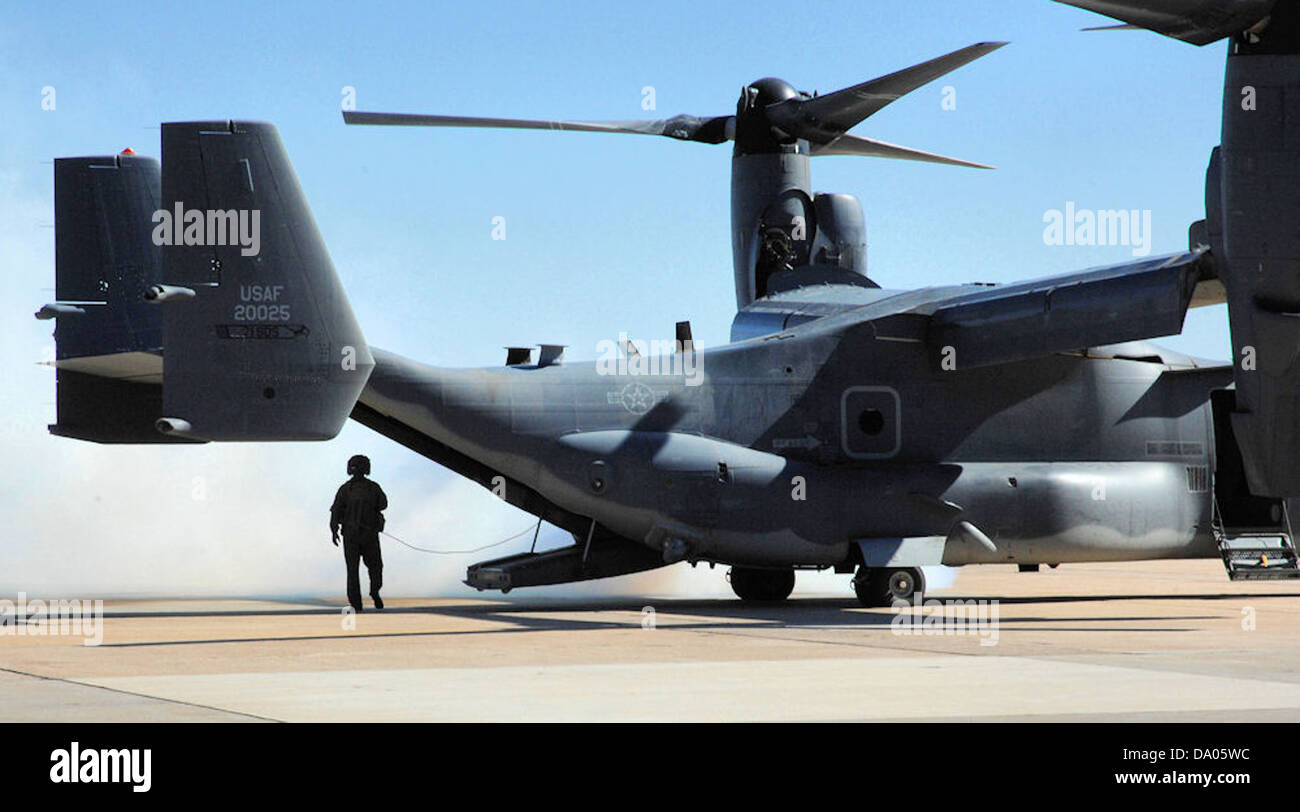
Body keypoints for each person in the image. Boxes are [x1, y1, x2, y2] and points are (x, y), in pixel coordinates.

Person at [330, 454, 388, 612]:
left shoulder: (347, 489)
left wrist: (334, 530)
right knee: (368, 568)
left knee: (364, 568)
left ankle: (367, 597)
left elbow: (335, 512)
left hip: (359, 535)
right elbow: (383, 504)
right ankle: (366, 596)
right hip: (358, 535)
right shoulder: (369, 488)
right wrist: (334, 529)